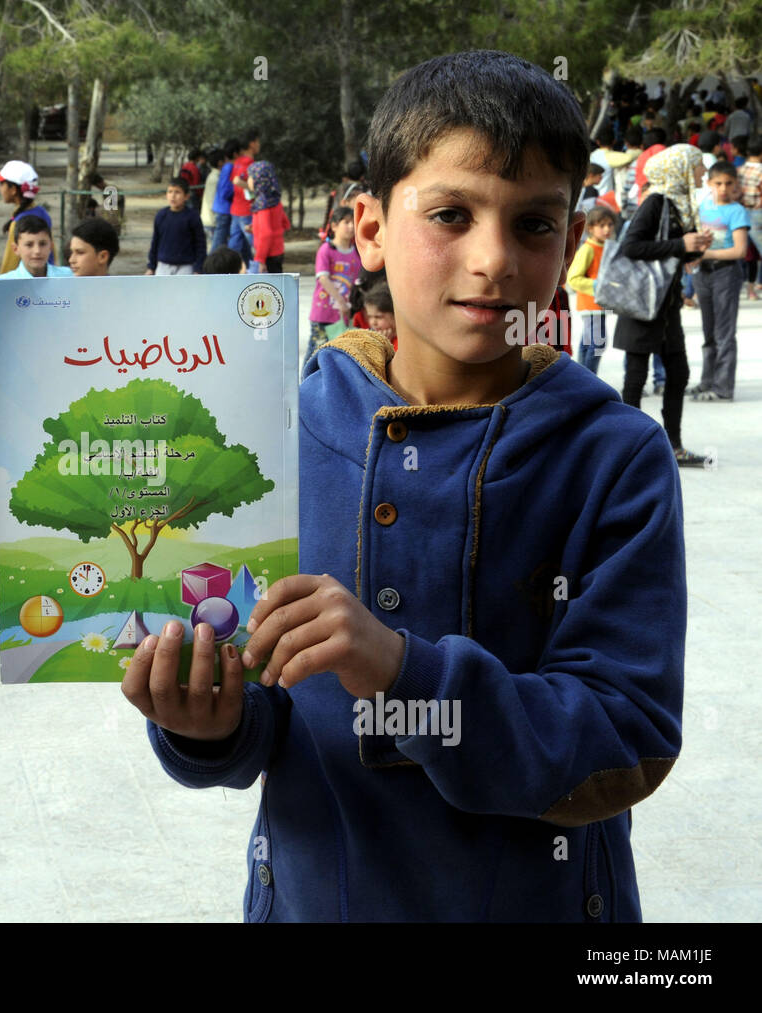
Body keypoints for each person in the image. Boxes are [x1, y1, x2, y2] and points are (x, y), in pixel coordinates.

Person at [123, 48, 687, 923]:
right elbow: (273, 723)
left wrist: (405, 674)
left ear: (571, 241)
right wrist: (208, 725)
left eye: (535, 224)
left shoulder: (614, 458)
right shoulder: (274, 434)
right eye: (452, 214)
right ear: (370, 228)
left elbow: (625, 741)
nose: (495, 260)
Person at [612, 144, 714, 465]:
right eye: (698, 166)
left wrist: (695, 248)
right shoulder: (656, 201)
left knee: (679, 373)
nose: (703, 173)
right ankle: (628, 448)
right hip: (644, 303)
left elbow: (675, 254)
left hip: (667, 308)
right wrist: (680, 243)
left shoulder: (681, 205)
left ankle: (673, 445)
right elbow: (632, 246)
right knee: (636, 378)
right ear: (679, 168)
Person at [689, 160, 750, 401]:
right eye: (718, 183)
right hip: (703, 274)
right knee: (708, 332)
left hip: (726, 273)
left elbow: (739, 251)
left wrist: (705, 254)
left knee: (724, 332)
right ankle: (707, 382)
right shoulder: (703, 206)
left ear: (736, 185)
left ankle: (723, 387)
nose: (723, 188)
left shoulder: (736, 211)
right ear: (708, 183)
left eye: (728, 183)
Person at [305, 206, 361, 370]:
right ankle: (305, 385)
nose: (351, 226)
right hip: (323, 313)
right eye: (346, 222)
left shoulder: (356, 253)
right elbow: (323, 278)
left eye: (353, 222)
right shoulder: (326, 250)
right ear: (334, 226)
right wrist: (340, 301)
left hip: (343, 316)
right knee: (315, 353)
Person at [566, 204, 617, 374]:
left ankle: (581, 379)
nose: (606, 229)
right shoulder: (588, 249)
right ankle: (589, 380)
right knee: (597, 344)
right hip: (591, 305)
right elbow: (573, 278)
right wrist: (597, 285)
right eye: (601, 225)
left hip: (601, 304)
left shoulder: (606, 247)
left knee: (588, 343)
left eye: (610, 225)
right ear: (590, 228)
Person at [0, 160, 51, 275]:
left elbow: (10, 264)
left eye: (2, 184)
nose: (0, 189)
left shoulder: (18, 223)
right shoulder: (42, 213)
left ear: (12, 190)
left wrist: (1, 285)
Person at [145, 178, 206, 276]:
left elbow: (200, 244)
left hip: (185, 266)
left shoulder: (192, 217)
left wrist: (198, 268)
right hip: (163, 266)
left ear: (186, 196)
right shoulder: (161, 216)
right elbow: (155, 242)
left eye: (177, 192)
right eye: (170, 192)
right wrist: (151, 267)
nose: (173, 196)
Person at [249, 161, 291, 273]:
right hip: (278, 251)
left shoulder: (263, 205)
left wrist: (260, 260)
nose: (248, 180)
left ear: (259, 180)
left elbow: (266, 233)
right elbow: (285, 224)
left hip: (268, 255)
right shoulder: (274, 200)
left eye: (250, 177)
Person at [227, 129, 261, 262]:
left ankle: (227, 269)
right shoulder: (250, 164)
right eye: (258, 142)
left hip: (235, 209)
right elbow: (244, 186)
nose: (259, 145)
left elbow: (233, 182)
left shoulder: (238, 162)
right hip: (247, 210)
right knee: (257, 244)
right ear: (252, 144)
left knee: (235, 245)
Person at [740, 137, 762, 300]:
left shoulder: (740, 170)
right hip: (757, 213)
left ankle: (750, 289)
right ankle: (755, 287)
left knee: (749, 255)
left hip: (741, 212)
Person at [209, 139, 240, 255]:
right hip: (224, 210)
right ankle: (208, 269)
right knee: (218, 242)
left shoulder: (227, 167)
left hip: (224, 209)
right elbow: (224, 191)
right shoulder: (230, 167)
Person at [361, 278, 396, 348]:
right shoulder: (371, 337)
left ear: (395, 315)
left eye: (378, 317)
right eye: (370, 316)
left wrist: (383, 346)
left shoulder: (402, 342)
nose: (373, 322)